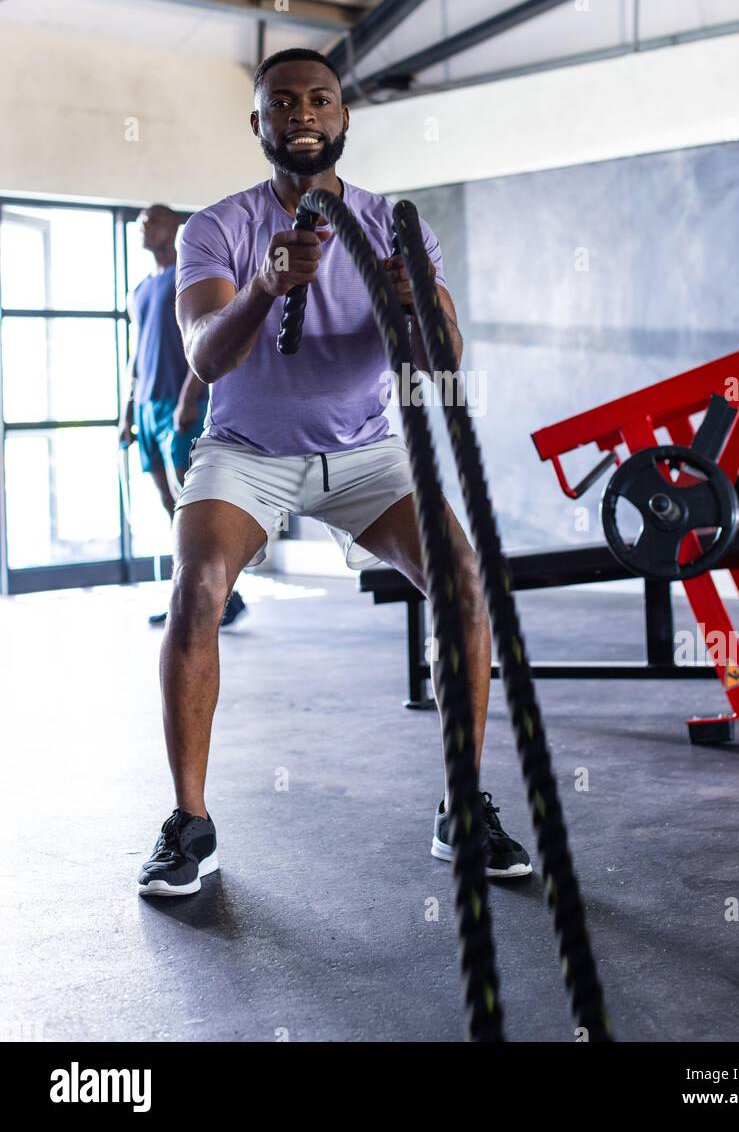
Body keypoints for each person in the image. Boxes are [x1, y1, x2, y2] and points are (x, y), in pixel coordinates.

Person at [137, 48, 531, 897]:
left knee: (463, 580)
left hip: (365, 451)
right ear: (260, 124)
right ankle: (189, 823)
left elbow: (441, 365)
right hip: (245, 451)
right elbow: (205, 357)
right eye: (283, 102)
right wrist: (264, 288)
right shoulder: (216, 227)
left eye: (320, 99)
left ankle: (462, 805)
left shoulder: (396, 223)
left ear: (344, 117)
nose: (303, 114)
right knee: (198, 588)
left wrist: (415, 305)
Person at [118, 204, 247, 628]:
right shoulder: (138, 290)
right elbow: (136, 355)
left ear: (174, 226)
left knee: (194, 504)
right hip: (148, 407)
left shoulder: (188, 277)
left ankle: (221, 596)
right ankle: (193, 596)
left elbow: (205, 338)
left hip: (183, 404)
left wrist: (190, 397)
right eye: (140, 223)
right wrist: (126, 413)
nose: (145, 228)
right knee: (168, 503)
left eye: (153, 221)